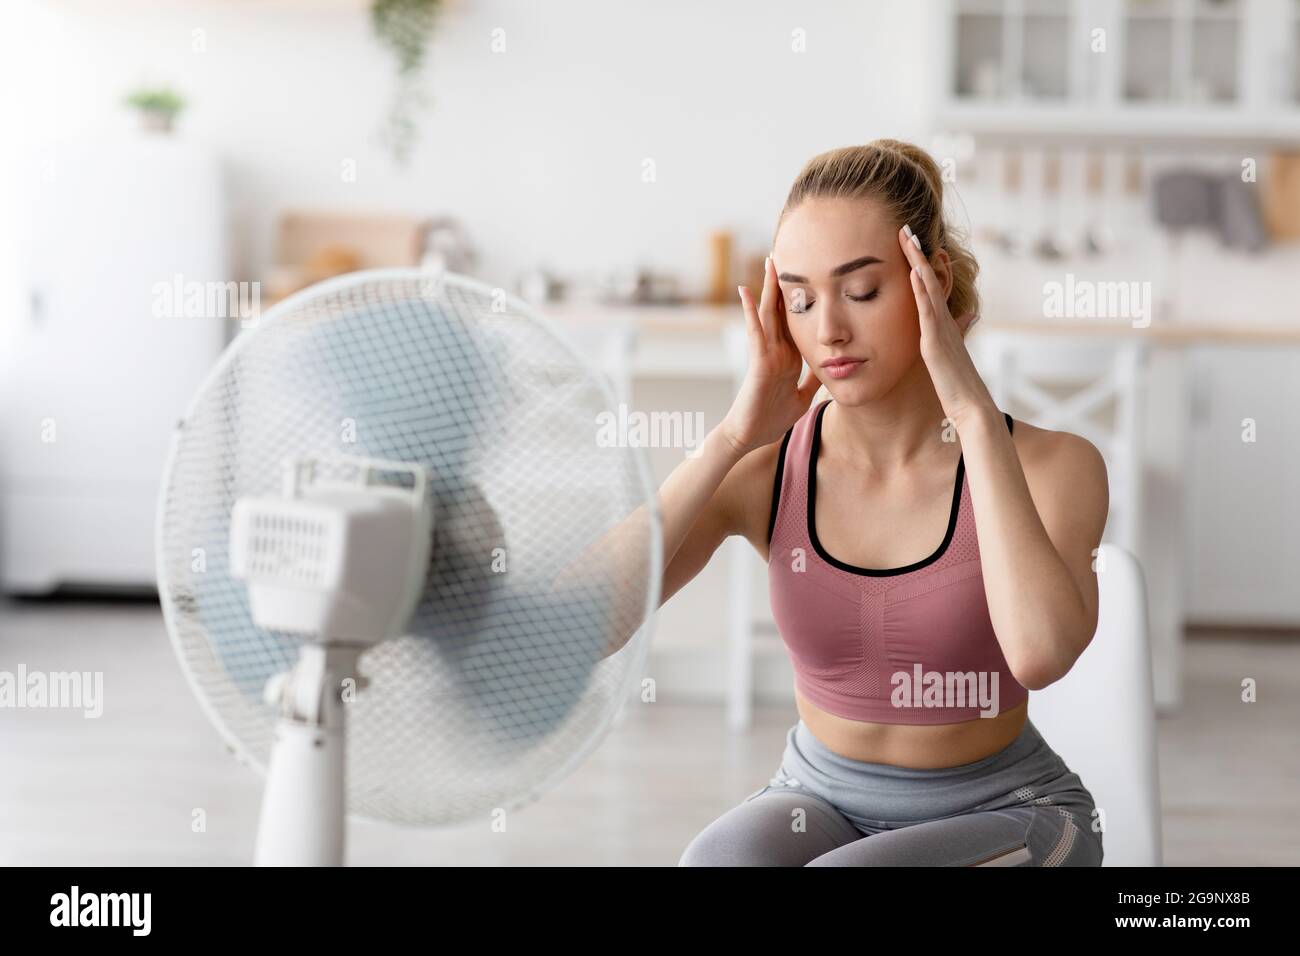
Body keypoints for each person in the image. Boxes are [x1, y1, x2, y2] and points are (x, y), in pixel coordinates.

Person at [665, 139, 1109, 865]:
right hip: (818, 800)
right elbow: (589, 619)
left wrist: (970, 414)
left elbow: (1039, 653)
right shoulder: (769, 470)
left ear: (930, 280)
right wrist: (730, 436)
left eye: (862, 291)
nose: (829, 329)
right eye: (802, 299)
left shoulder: (1058, 465)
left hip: (1010, 813)